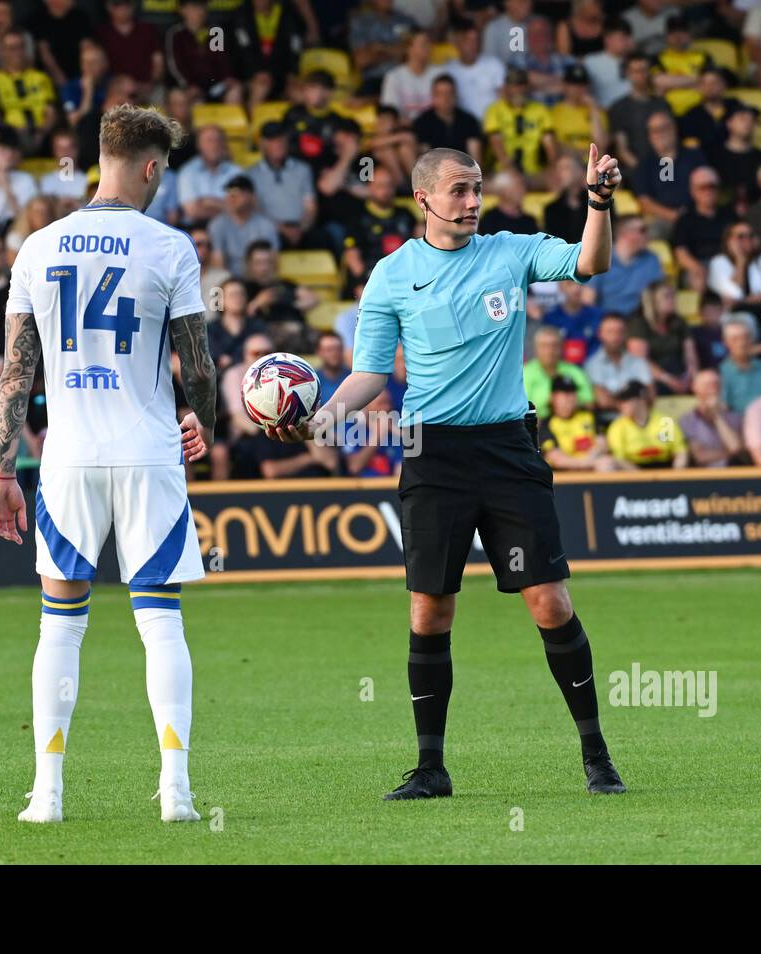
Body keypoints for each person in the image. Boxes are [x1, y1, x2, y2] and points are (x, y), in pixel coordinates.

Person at [265, 145, 627, 799]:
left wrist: (599, 201)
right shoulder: (391, 276)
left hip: (509, 451)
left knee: (550, 602)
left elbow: (590, 261)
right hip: (431, 453)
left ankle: (597, 756)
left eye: (478, 189)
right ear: (423, 199)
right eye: (459, 190)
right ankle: (431, 769)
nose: (472, 202)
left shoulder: (511, 252)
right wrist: (324, 420)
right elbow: (371, 374)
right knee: (430, 611)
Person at [0, 105, 215, 826]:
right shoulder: (170, 247)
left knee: (60, 624)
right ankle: (175, 789)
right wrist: (200, 423)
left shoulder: (36, 247)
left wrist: (2, 473)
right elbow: (199, 367)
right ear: (151, 166)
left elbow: (16, 376)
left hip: (70, 458)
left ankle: (46, 796)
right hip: (148, 452)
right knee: (161, 622)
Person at [605, 380, 689, 469]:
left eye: (626, 400)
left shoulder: (665, 422)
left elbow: (680, 452)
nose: (621, 405)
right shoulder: (618, 426)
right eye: (620, 401)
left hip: (665, 469)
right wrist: (642, 479)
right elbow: (619, 459)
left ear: (641, 399)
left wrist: (675, 476)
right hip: (632, 472)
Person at [539, 374, 613, 471]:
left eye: (573, 393)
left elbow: (603, 443)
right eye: (565, 394)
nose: (570, 399)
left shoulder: (589, 416)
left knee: (607, 463)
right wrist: (589, 463)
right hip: (566, 477)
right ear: (553, 397)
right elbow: (555, 458)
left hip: (594, 468)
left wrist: (591, 459)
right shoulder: (547, 424)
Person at [680, 369, 745, 467]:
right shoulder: (687, 420)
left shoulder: (736, 416)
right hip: (705, 477)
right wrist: (729, 453)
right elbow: (700, 456)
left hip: (735, 473)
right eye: (707, 385)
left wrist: (717, 417)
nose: (713, 389)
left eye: (716, 384)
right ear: (694, 388)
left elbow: (737, 448)